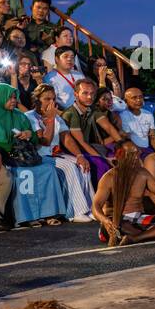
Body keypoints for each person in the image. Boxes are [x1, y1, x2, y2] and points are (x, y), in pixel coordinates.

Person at [0, 82, 67, 227]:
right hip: (3, 156)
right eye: (10, 98)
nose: (14, 100)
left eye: (15, 97)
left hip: (22, 156)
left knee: (47, 170)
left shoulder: (20, 116)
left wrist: (28, 134)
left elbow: (36, 139)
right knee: (20, 173)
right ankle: (25, 216)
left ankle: (47, 213)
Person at [25, 83, 93, 222]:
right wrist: (50, 119)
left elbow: (66, 138)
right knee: (69, 167)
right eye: (47, 99)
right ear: (37, 100)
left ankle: (91, 208)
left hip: (56, 154)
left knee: (83, 165)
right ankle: (75, 212)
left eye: (53, 99)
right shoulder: (30, 117)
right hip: (40, 155)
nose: (51, 102)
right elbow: (45, 141)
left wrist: (79, 156)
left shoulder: (56, 117)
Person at [92, 142, 155, 246]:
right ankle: (150, 235)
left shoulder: (143, 174)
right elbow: (95, 206)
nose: (135, 158)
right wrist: (105, 220)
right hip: (117, 220)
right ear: (121, 156)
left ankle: (136, 238)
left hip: (138, 219)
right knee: (120, 226)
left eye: (136, 154)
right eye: (131, 154)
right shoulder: (109, 177)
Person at [60, 78, 114, 183]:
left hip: (88, 147)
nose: (89, 97)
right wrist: (103, 158)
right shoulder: (71, 113)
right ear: (76, 94)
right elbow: (82, 142)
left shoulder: (91, 110)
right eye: (85, 93)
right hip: (72, 151)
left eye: (92, 93)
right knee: (100, 163)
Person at [116, 87, 155, 154]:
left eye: (141, 97)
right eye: (134, 98)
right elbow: (127, 138)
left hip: (147, 150)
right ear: (126, 101)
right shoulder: (122, 116)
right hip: (132, 151)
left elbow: (153, 137)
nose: (138, 100)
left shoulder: (148, 114)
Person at [44, 43, 87, 110]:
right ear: (56, 59)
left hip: (84, 109)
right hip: (64, 113)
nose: (69, 59)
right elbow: (50, 101)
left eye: (72, 57)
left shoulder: (79, 75)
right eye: (65, 56)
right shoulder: (49, 78)